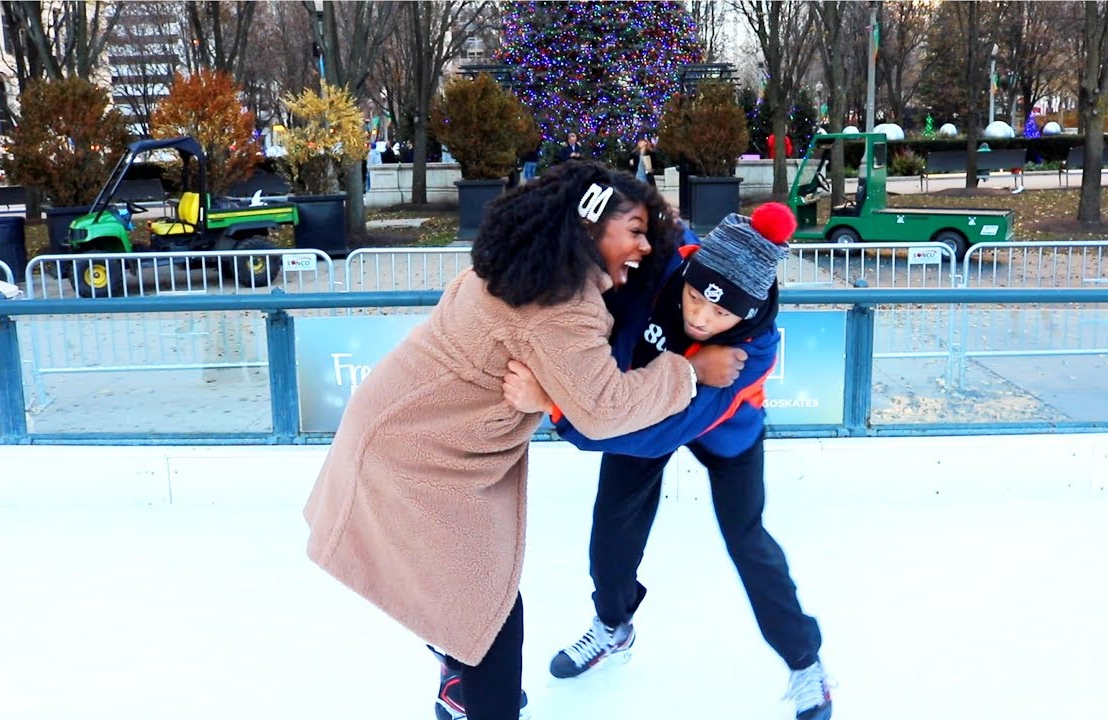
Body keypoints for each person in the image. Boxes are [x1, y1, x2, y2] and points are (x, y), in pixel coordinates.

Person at [303, 161, 748, 720]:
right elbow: (605, 410)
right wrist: (690, 373)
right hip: (418, 460)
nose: (644, 245)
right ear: (589, 228)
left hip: (408, 437)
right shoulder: (561, 308)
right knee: (487, 615)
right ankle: (482, 698)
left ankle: (464, 677)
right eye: (634, 231)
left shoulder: (525, 269)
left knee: (468, 600)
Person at [501, 203, 834, 720]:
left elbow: (663, 434)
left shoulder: (754, 347)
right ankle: (613, 625)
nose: (700, 317)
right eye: (696, 297)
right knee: (612, 524)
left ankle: (803, 660)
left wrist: (553, 403)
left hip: (720, 430)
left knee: (748, 540)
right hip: (641, 399)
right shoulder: (667, 262)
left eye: (721, 313)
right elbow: (629, 215)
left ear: (744, 315)